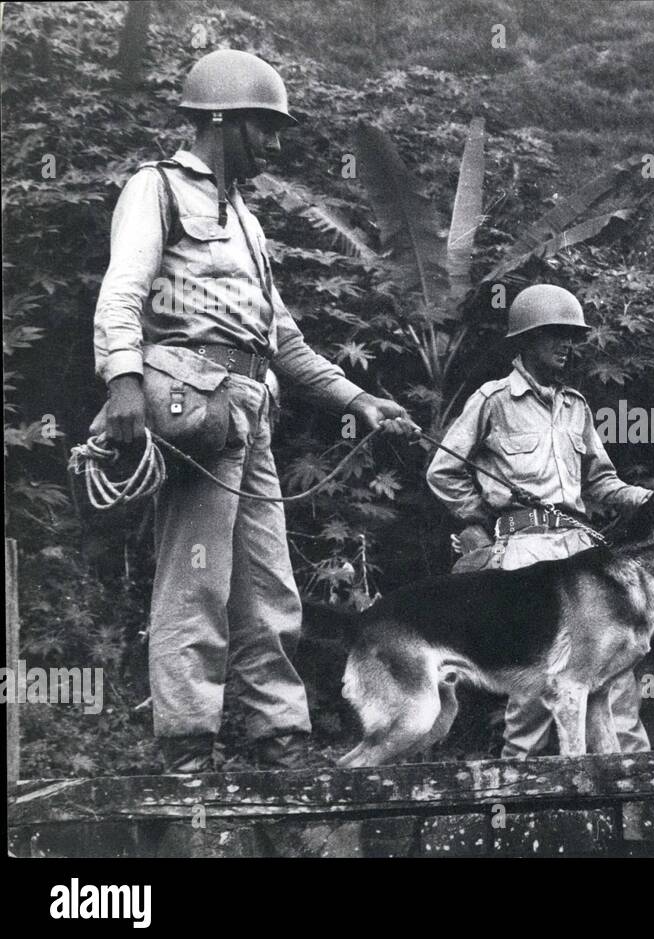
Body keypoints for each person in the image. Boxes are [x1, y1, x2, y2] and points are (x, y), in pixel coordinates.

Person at [91, 49, 414, 772]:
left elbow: (283, 340)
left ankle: (281, 738)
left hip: (251, 412)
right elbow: (122, 292)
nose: (274, 144)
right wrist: (123, 382)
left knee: (270, 591)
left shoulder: (245, 219)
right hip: (195, 407)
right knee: (195, 584)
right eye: (264, 128)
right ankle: (188, 748)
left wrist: (359, 398)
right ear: (219, 121)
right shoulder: (157, 189)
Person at [426, 284, 653, 758]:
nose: (566, 345)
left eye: (571, 336)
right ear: (525, 340)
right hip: (525, 550)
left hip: (584, 555)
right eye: (554, 335)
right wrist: (474, 521)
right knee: (532, 687)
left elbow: (603, 483)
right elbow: (444, 468)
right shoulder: (493, 400)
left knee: (615, 680)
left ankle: (633, 797)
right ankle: (517, 800)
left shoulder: (577, 408)